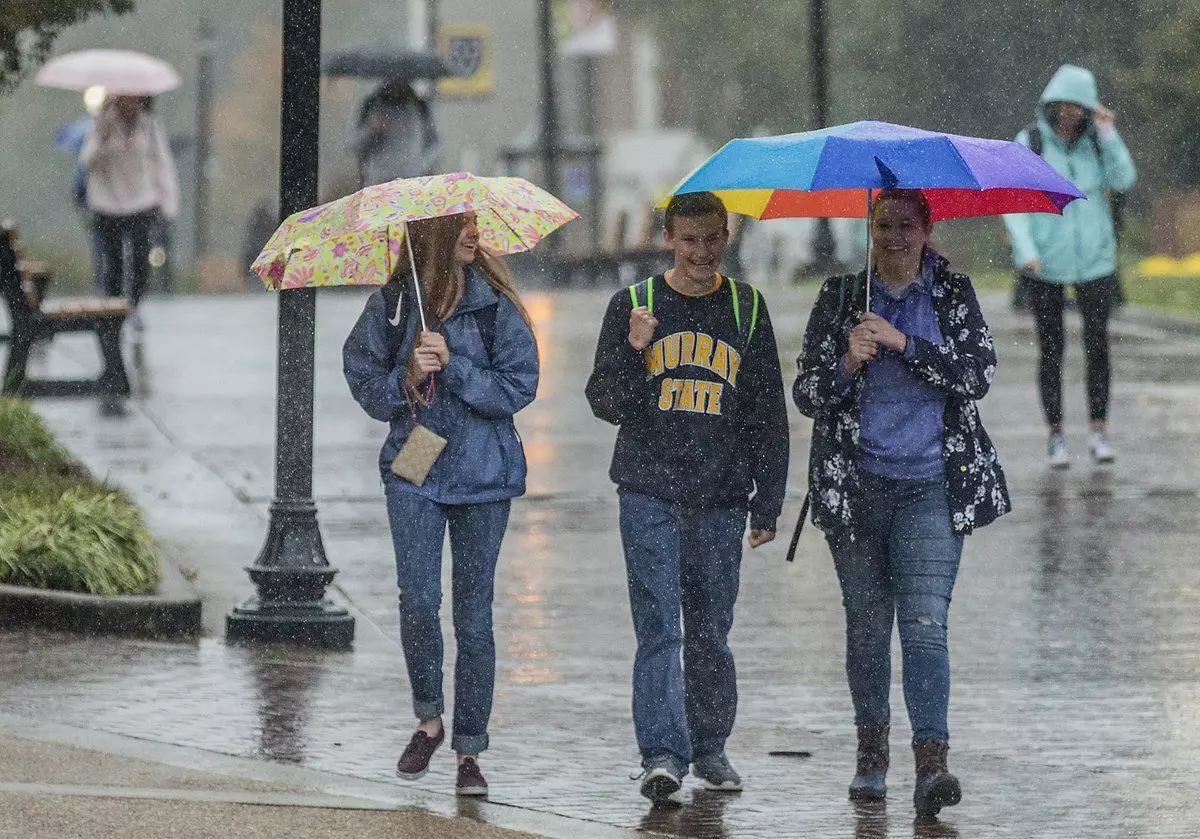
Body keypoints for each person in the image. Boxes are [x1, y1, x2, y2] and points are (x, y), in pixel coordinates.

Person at [794, 188, 1010, 818]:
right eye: (882, 224)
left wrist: (903, 344)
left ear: (927, 228)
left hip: (933, 485)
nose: (893, 236)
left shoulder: (951, 293)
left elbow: (978, 375)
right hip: (856, 488)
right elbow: (809, 394)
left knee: (923, 627)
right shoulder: (840, 297)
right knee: (866, 629)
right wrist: (847, 362)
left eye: (906, 225)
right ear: (869, 226)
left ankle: (932, 765)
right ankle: (871, 759)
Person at [585, 191, 789, 803]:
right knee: (658, 629)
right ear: (668, 237)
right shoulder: (635, 305)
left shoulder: (747, 309)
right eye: (689, 239)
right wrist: (633, 348)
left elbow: (767, 413)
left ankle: (710, 746)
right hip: (648, 490)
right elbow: (604, 402)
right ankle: (663, 755)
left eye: (713, 239)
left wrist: (768, 501)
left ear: (727, 238)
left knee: (710, 630)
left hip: (721, 497)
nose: (701, 252)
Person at [342, 212, 539, 797]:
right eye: (461, 225)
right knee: (419, 598)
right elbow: (362, 376)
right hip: (417, 463)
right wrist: (406, 376)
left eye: (476, 224)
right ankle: (428, 718)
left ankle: (469, 752)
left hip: (483, 471)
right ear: (431, 235)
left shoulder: (495, 305)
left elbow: (519, 386)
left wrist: (457, 367)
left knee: (474, 617)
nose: (473, 234)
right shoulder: (395, 306)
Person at [1002, 64, 1136, 468]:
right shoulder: (1032, 142)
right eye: (1065, 105)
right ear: (1053, 103)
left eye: (1080, 107)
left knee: (1098, 347)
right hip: (1046, 261)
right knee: (1051, 349)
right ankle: (1056, 435)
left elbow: (1125, 179)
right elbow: (1014, 201)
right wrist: (1025, 249)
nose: (1071, 114)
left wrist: (1109, 134)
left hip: (1096, 261)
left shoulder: (1098, 143)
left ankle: (1098, 430)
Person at [80, 95, 180, 328]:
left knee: (141, 260)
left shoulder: (150, 126)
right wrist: (102, 139)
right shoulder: (101, 124)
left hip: (142, 201)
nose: (131, 104)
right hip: (108, 204)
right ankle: (114, 313)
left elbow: (161, 164)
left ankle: (133, 306)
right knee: (113, 263)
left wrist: (169, 202)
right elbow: (87, 162)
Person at [351, 80, 441, 187]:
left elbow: (437, 144)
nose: (396, 81)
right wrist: (372, 131)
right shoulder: (370, 105)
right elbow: (353, 143)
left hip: (412, 183)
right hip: (378, 182)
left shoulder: (420, 106)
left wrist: (421, 165)